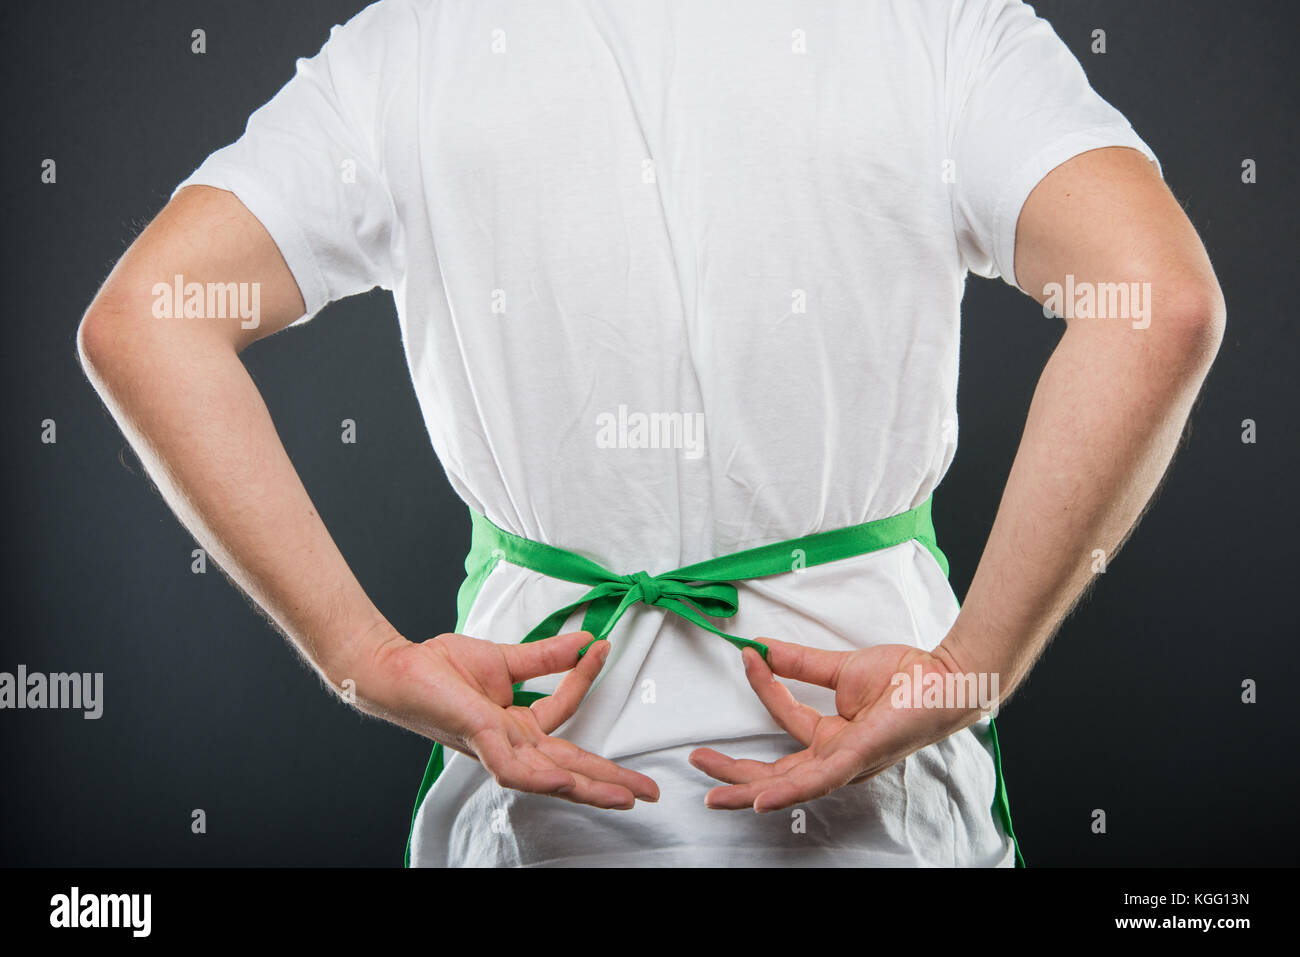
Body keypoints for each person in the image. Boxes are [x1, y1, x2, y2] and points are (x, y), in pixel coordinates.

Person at [77, 0, 1225, 867]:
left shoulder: (410, 46)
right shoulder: (939, 29)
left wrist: (359, 659)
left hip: (535, 785)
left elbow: (143, 323)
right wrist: (970, 672)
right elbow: (1159, 301)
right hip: (878, 801)